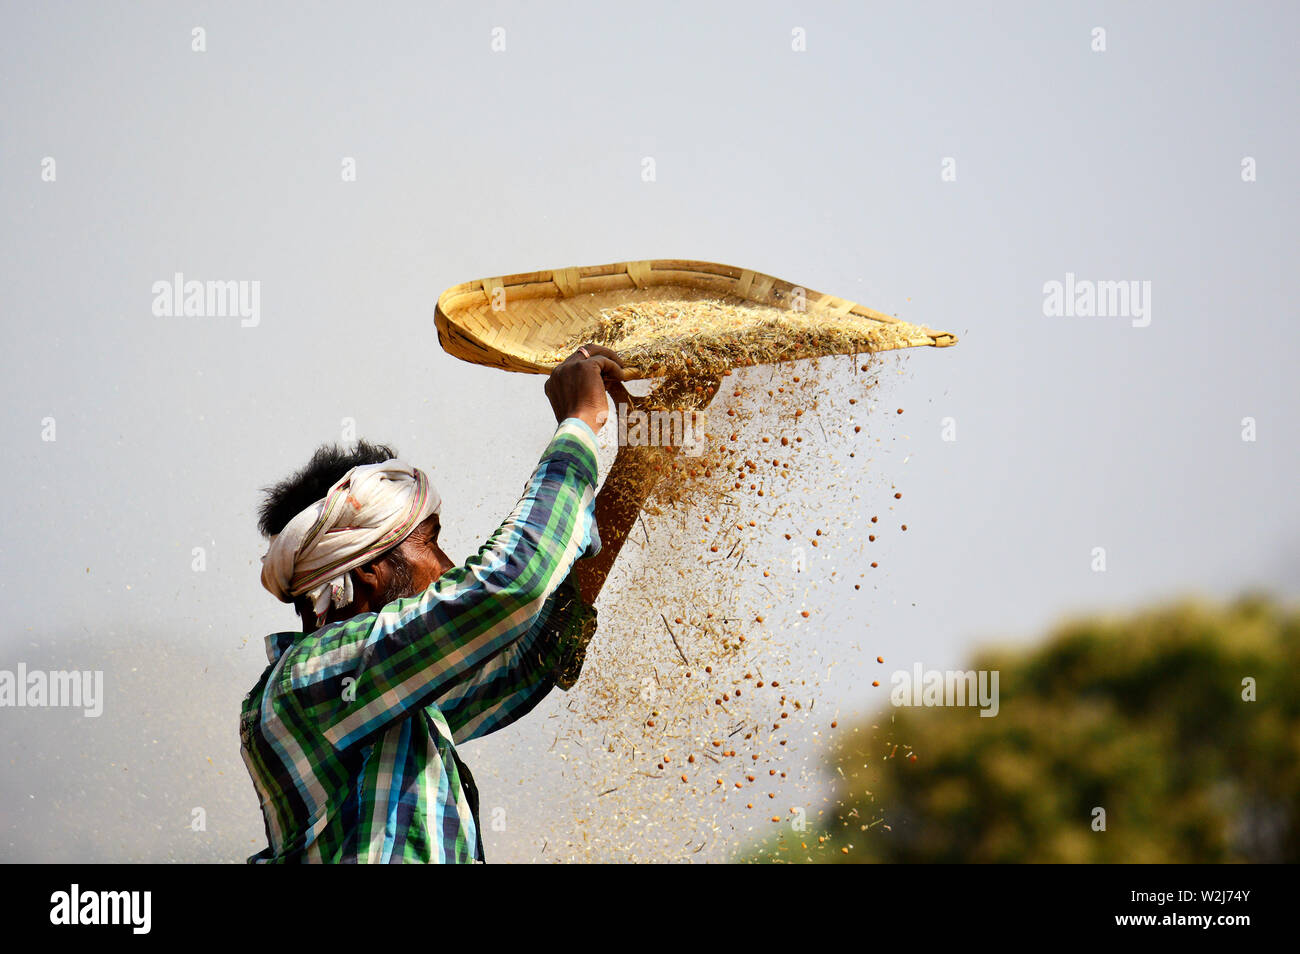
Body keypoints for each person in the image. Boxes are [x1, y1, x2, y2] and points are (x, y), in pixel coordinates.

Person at [239, 345, 700, 862]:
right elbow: (508, 587)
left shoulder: (388, 701)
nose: (447, 565)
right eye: (429, 543)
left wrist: (639, 459)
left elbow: (527, 656)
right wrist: (579, 424)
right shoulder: (308, 686)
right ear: (369, 570)